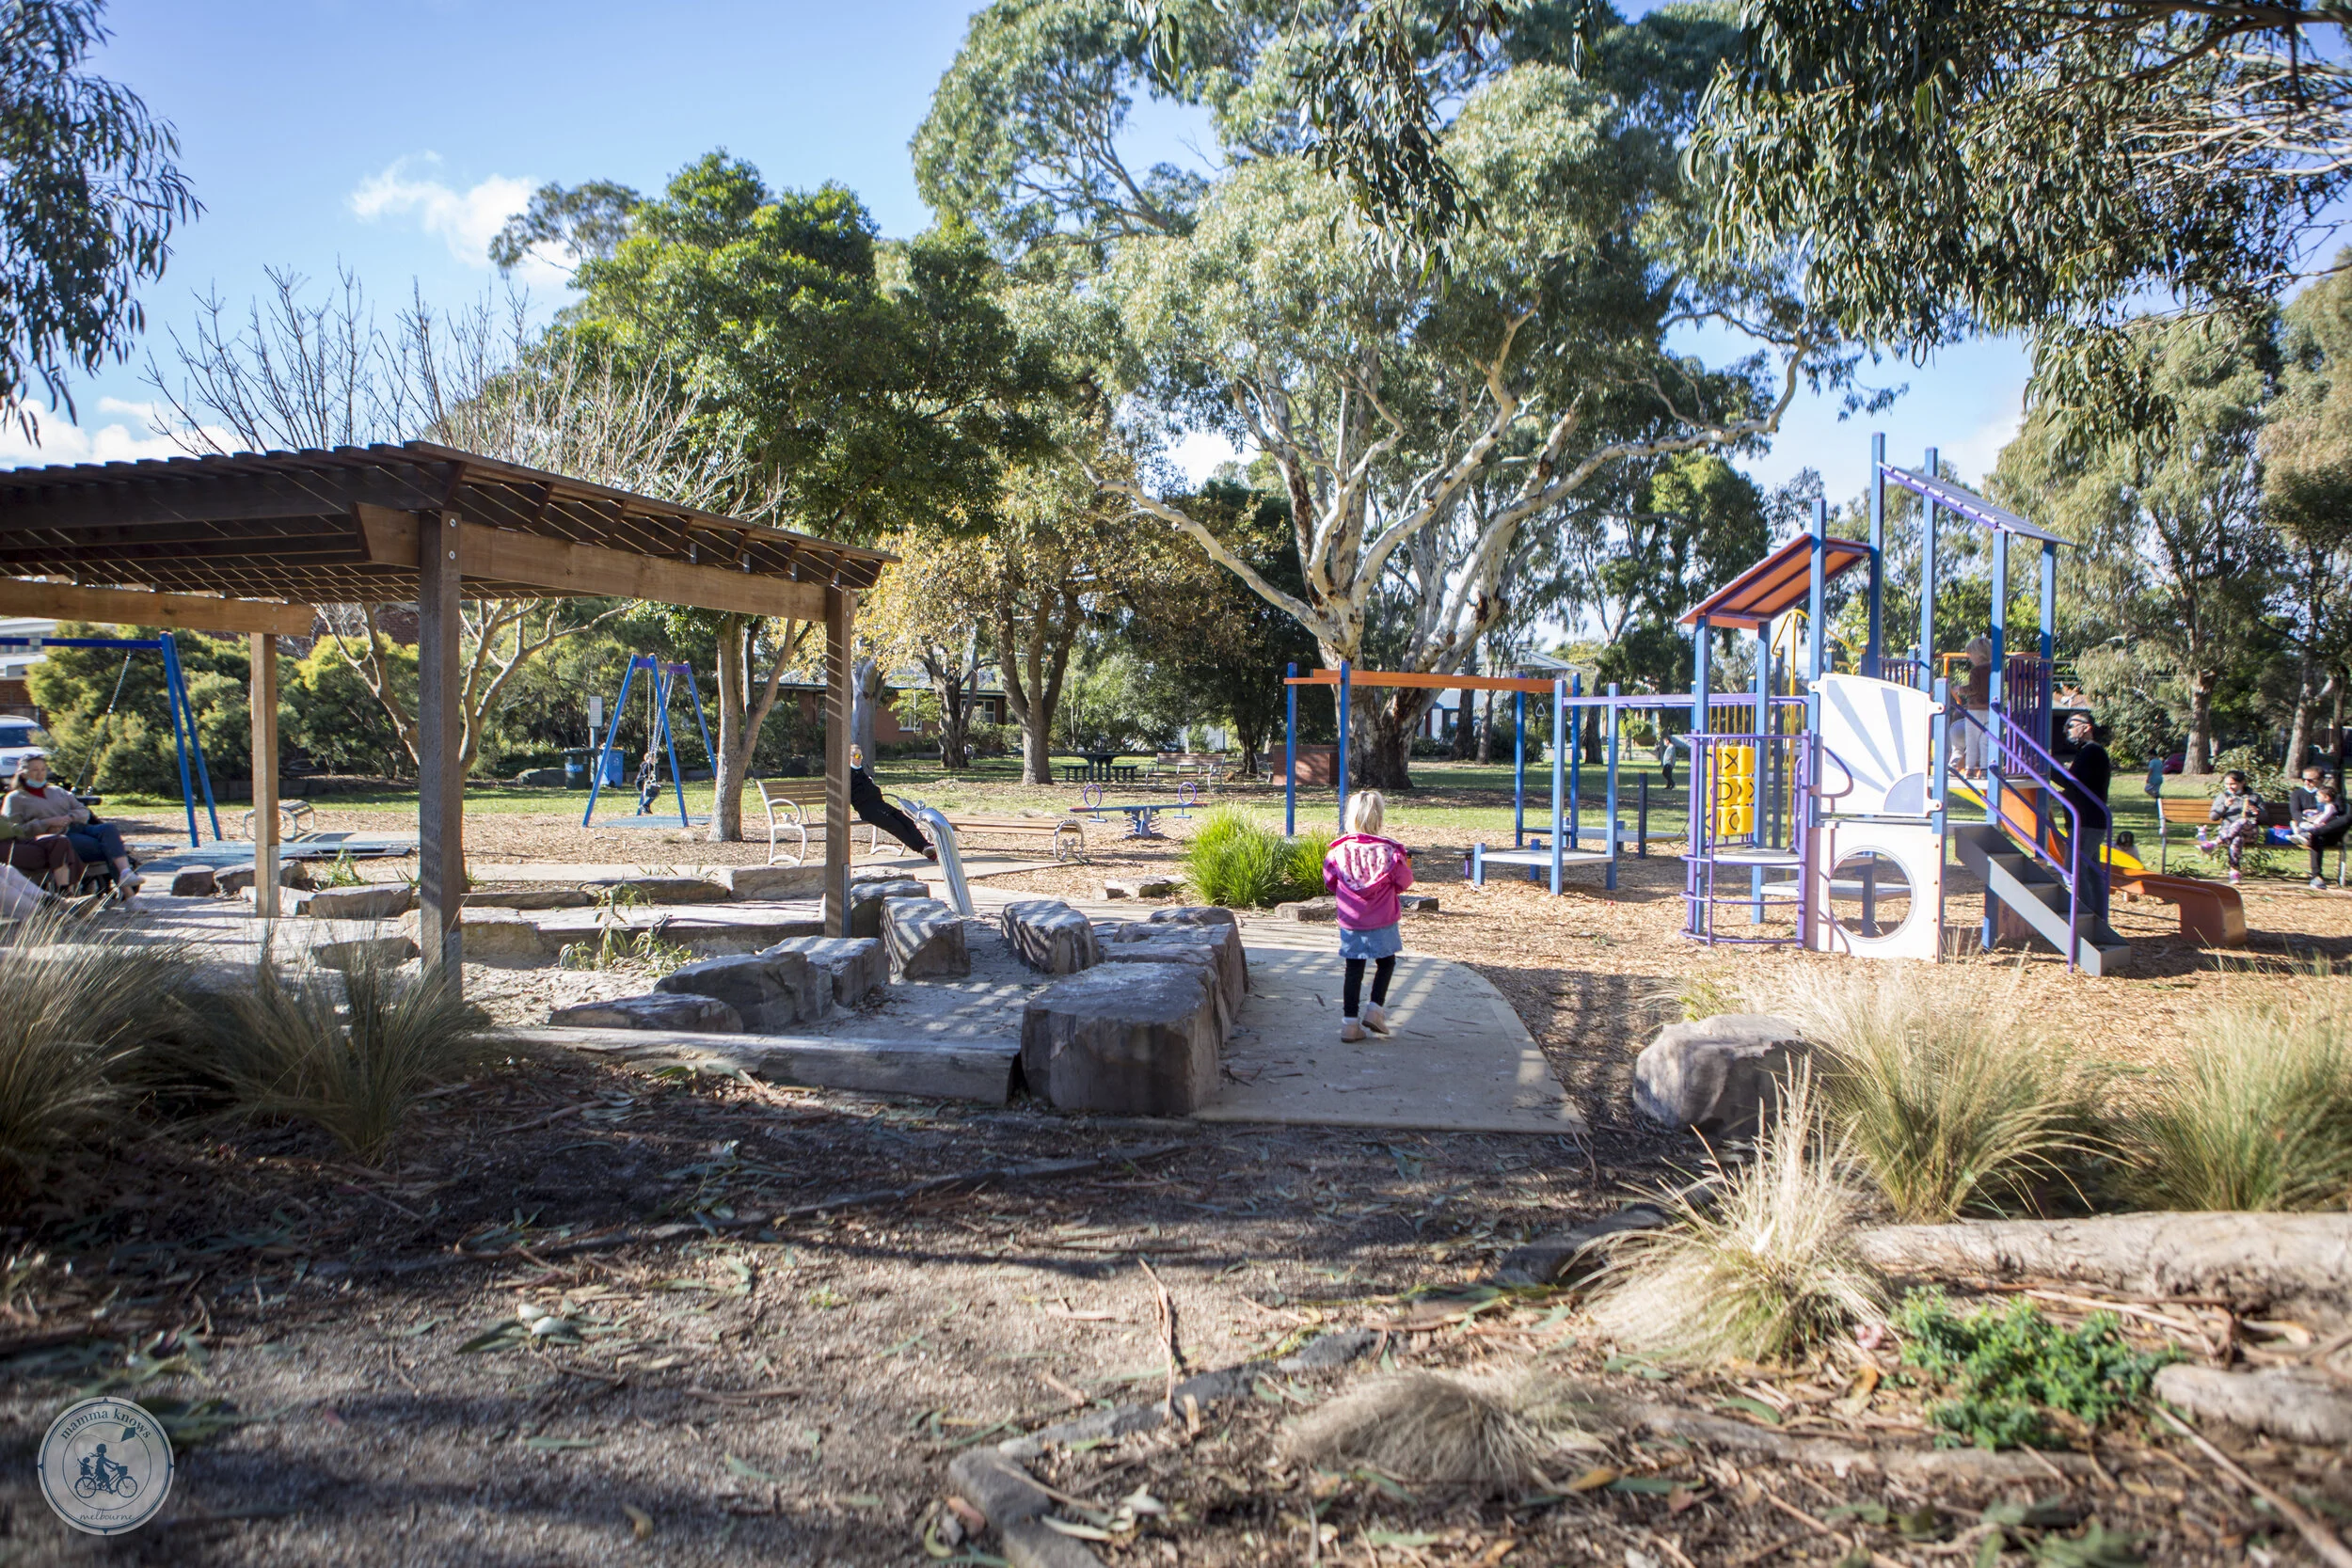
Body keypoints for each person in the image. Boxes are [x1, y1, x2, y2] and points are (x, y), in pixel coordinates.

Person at [1323, 790, 1414, 1043]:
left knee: (1354, 968)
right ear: (1379, 817)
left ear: (1350, 816)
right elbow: (1404, 881)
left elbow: (1330, 881)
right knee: (1386, 963)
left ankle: (1349, 1024)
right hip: (1383, 918)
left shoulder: (1338, 852)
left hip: (1352, 920)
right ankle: (1375, 1009)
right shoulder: (1391, 852)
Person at [6, 755, 139, 898]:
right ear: (23, 772)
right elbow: (14, 829)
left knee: (108, 829)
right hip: (55, 836)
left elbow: (82, 811)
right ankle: (129, 894)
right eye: (35, 770)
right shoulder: (15, 798)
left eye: (43, 769)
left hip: (75, 826)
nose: (40, 774)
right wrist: (46, 823)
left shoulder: (57, 791)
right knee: (108, 847)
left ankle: (125, 873)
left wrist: (69, 817)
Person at [2055, 712, 2112, 921]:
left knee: (2073, 870)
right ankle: (2099, 919)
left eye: (2071, 725)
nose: (2067, 730)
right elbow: (2081, 785)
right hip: (2089, 819)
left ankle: (2085, 918)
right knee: (2091, 872)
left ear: (2086, 727)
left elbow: (2075, 783)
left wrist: (2047, 768)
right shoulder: (2088, 752)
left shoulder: (2091, 751)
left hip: (2087, 821)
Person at [849, 746, 935, 860]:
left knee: (906, 821)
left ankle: (926, 845)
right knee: (897, 826)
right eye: (856, 756)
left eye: (861, 756)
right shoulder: (848, 773)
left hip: (880, 804)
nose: (859, 758)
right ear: (848, 757)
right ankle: (924, 850)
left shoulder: (860, 770)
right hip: (868, 809)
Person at [2196, 768, 2265, 885]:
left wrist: (2257, 812)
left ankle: (2214, 843)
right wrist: (2225, 806)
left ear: (2242, 783)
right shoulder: (2223, 797)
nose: (2230, 787)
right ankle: (2234, 872)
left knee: (2242, 821)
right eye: (2227, 784)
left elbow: (2266, 819)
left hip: (2249, 832)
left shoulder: (2254, 797)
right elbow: (2213, 817)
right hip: (2229, 833)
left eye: (2233, 784)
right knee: (2237, 839)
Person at [0, 811, 81, 895]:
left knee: (60, 841)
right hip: (4, 846)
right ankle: (69, 895)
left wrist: (12, 828)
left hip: (20, 839)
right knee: (49, 853)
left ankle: (67, 891)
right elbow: (7, 829)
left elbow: (17, 829)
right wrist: (12, 828)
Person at [2292, 778, 2347, 889]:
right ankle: (2316, 877)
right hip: (2316, 832)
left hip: (2329, 833)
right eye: (2304, 779)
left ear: (2320, 780)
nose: (2307, 782)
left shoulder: (2336, 799)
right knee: (2314, 837)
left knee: (2315, 836)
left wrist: (2318, 822)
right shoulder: (2299, 794)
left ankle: (2306, 836)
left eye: (2310, 780)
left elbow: (2339, 817)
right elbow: (2296, 812)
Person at [1959, 636, 1994, 774]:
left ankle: (1970, 768)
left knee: (1972, 740)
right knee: (1985, 742)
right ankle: (1985, 769)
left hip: (1975, 710)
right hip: (1991, 710)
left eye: (1970, 654)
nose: (1969, 658)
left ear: (1978, 655)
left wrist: (1960, 689)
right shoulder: (1994, 669)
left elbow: (1974, 688)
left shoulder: (1976, 671)